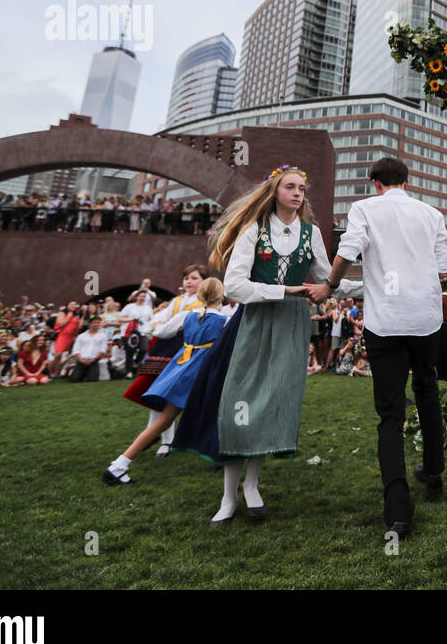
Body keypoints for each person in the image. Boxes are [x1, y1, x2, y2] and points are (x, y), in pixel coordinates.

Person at [172, 165, 350, 527]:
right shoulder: (254, 230)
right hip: (252, 324)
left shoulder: (311, 232)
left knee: (270, 406)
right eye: (290, 187)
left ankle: (252, 485)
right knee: (240, 404)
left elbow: (326, 280)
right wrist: (286, 290)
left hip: (291, 326)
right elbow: (235, 287)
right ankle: (227, 496)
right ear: (275, 191)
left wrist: (373, 284)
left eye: (302, 188)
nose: (298, 193)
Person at [309, 157, 447, 542]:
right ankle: (434, 472)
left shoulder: (364, 209)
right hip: (425, 319)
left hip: (386, 322)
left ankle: (398, 513)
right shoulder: (433, 215)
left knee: (390, 414)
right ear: (407, 181)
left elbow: (349, 249)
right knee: (427, 391)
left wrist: (330, 285)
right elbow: (442, 273)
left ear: (375, 183)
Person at [103, 278, 229, 485]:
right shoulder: (225, 320)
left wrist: (158, 322)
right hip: (204, 373)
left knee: (165, 420)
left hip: (181, 368)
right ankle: (220, 454)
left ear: (199, 296)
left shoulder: (186, 315)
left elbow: (161, 332)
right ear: (221, 296)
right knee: (219, 413)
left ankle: (119, 464)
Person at [121, 266, 209, 456]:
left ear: (204, 281)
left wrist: (158, 326)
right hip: (169, 352)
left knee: (176, 397)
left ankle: (170, 438)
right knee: (160, 395)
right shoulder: (178, 301)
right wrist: (158, 323)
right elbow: (159, 318)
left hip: (188, 352)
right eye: (186, 277)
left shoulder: (203, 303)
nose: (188, 281)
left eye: (194, 278)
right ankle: (163, 439)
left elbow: (169, 325)